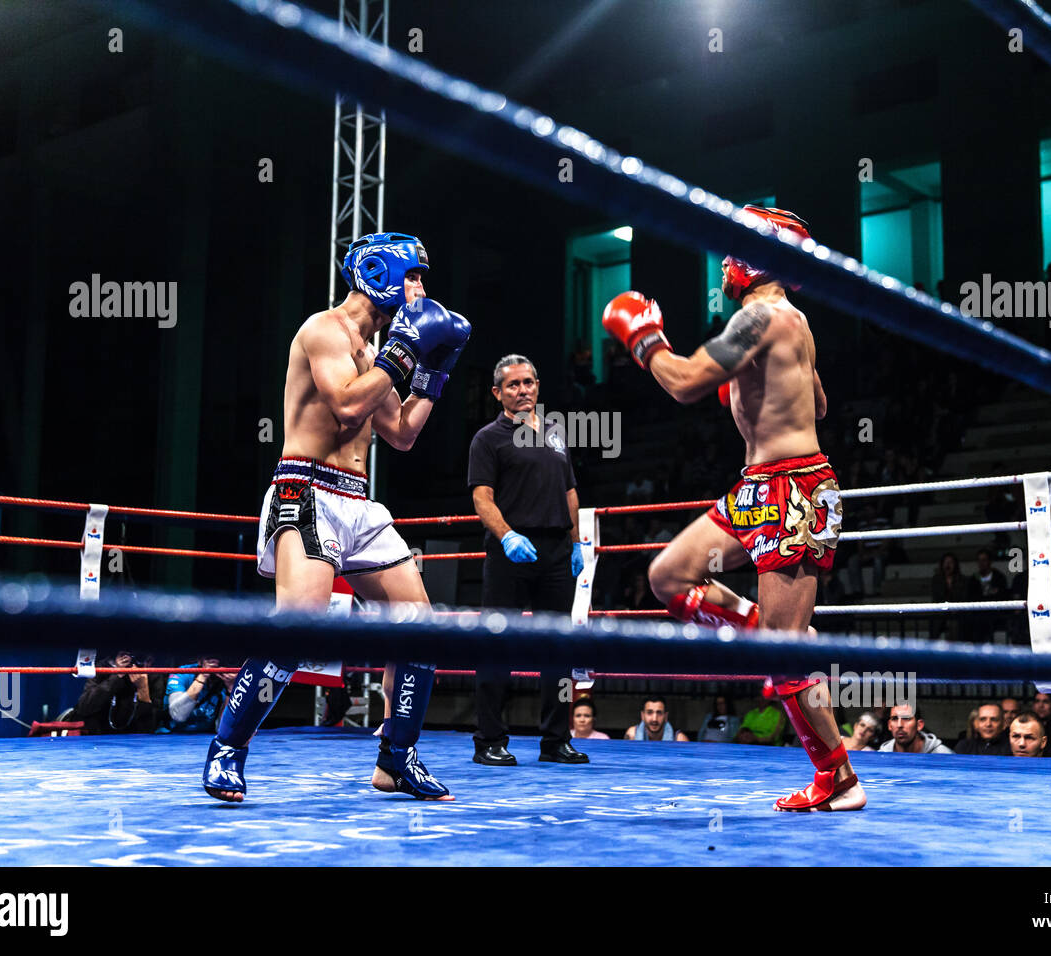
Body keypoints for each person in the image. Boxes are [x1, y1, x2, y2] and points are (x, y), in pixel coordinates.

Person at [603, 206, 862, 811]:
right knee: (668, 575)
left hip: (794, 489)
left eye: (732, 248)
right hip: (759, 488)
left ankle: (840, 779)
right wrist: (755, 388)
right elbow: (819, 403)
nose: (722, 260)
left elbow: (684, 381)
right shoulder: (792, 320)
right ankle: (771, 637)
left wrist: (645, 338)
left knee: (784, 656)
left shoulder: (762, 316)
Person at [203, 231, 470, 803]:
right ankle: (228, 749)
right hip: (306, 489)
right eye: (413, 276)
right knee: (299, 627)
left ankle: (396, 758)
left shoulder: (379, 351)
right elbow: (347, 403)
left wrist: (432, 373)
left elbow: (399, 435)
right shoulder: (323, 329)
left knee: (418, 624)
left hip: (358, 498)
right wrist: (405, 353)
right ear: (379, 272)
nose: (421, 289)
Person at [468, 354, 588, 767]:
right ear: (498, 392)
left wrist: (576, 544)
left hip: (557, 551)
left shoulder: (556, 433)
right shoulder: (488, 438)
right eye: (514, 384)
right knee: (498, 644)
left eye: (529, 382)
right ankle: (488, 740)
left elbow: (570, 493)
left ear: (538, 386)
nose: (523, 390)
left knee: (558, 649)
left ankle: (555, 740)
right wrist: (507, 536)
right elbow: (482, 497)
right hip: (510, 550)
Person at [72, 651, 158, 735]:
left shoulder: (153, 674)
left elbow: (152, 727)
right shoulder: (103, 667)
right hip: (98, 735)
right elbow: (84, 708)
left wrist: (143, 689)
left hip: (136, 740)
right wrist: (117, 675)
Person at [162, 658, 236, 734]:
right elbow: (178, 715)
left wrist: (230, 688)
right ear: (200, 660)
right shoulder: (183, 672)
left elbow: (222, 730)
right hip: (173, 735)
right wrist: (203, 675)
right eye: (209, 656)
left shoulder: (227, 677)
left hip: (207, 737)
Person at [878, 703, 954, 754]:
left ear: (919, 725)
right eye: (894, 719)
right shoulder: (881, 756)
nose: (899, 725)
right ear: (889, 725)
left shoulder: (943, 755)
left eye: (906, 718)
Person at [624, 697, 689, 741]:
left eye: (659, 713)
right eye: (649, 713)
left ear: (666, 716)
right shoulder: (632, 735)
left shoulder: (679, 740)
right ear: (642, 715)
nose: (654, 719)